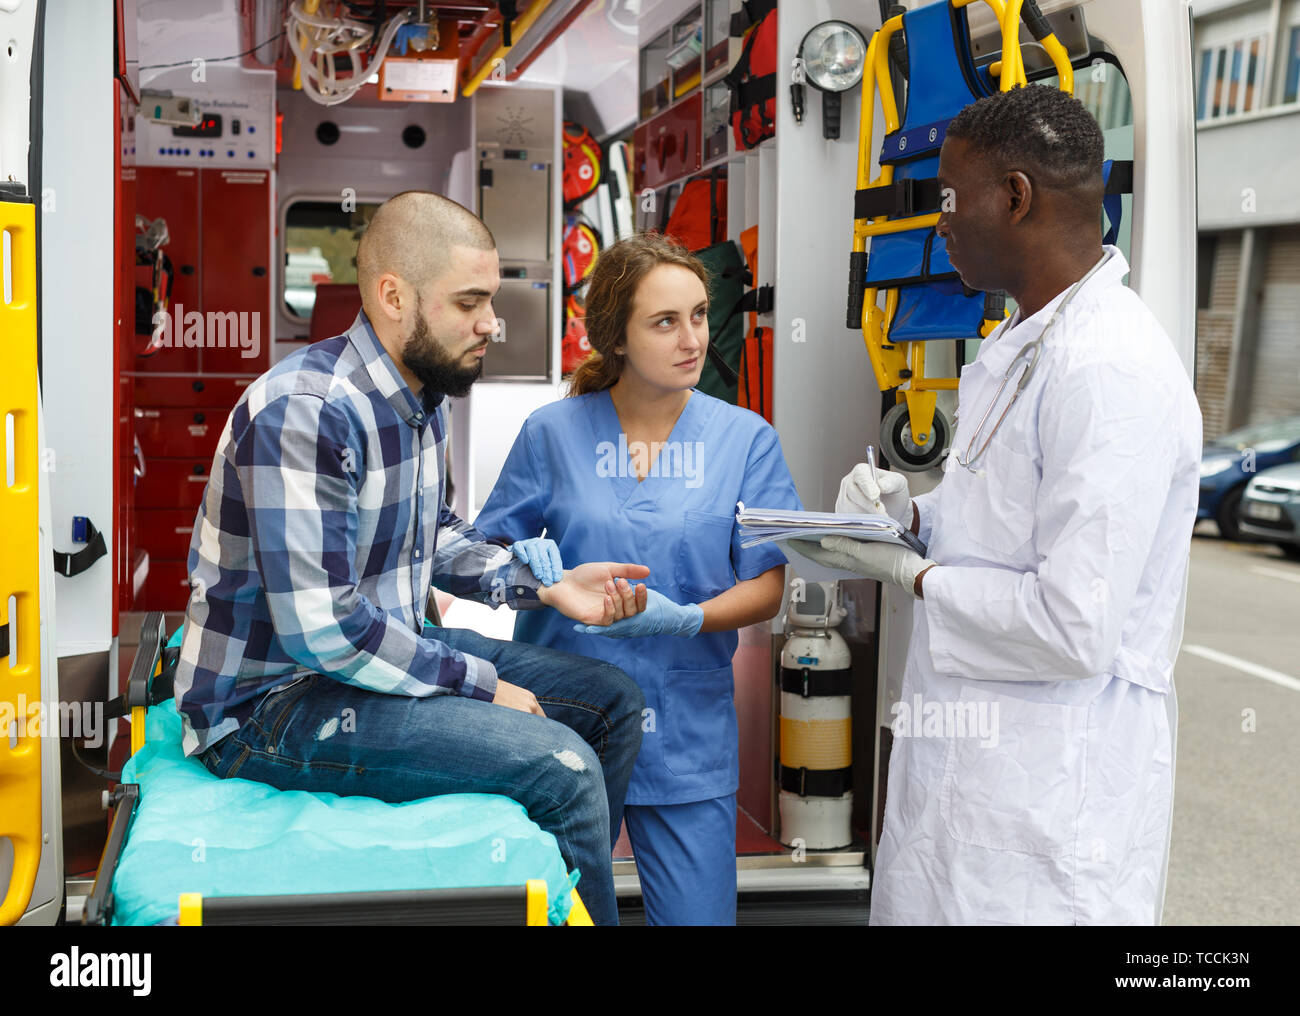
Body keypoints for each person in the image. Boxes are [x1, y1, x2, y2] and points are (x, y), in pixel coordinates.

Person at [174, 190, 652, 926]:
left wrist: (543, 588)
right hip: (275, 707)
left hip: (376, 659)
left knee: (613, 704)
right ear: (395, 296)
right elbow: (324, 630)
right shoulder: (307, 411)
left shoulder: (421, 399)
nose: (492, 323)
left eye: (491, 299)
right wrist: (479, 684)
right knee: (565, 767)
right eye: (470, 302)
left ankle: (553, 900)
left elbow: (435, 539)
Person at [800, 85, 1201, 924]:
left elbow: (1074, 624)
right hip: (976, 780)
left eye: (950, 197)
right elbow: (999, 528)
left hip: (1049, 809)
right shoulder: (1022, 344)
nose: (940, 221)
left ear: (1015, 197)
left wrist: (910, 577)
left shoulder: (1110, 371)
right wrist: (907, 517)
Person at [474, 232, 803, 925]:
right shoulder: (553, 433)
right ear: (616, 338)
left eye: (699, 315)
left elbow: (768, 586)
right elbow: (478, 557)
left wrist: (685, 618)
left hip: (684, 729)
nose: (691, 339)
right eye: (664, 322)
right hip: (561, 722)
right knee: (559, 914)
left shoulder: (746, 441)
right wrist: (532, 572)